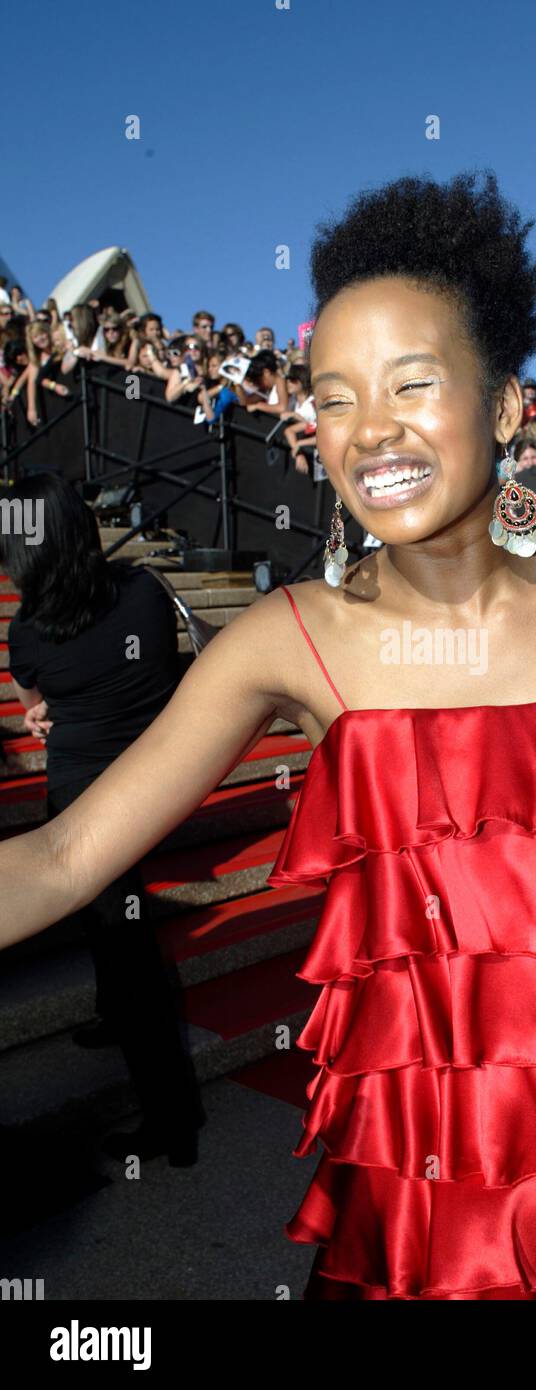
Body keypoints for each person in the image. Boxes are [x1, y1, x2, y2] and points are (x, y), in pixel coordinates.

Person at [0, 171, 536, 1301]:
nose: (371, 430)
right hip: (418, 1184)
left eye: (412, 384)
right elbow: (65, 856)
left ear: (507, 404)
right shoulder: (290, 639)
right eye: (331, 398)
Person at [2, 473, 204, 1163]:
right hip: (155, 782)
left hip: (84, 805)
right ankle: (113, 1015)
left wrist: (43, 709)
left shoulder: (27, 631)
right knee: (112, 926)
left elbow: (35, 698)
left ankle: (173, 1124)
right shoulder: (146, 592)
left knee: (127, 946)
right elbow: (156, 676)